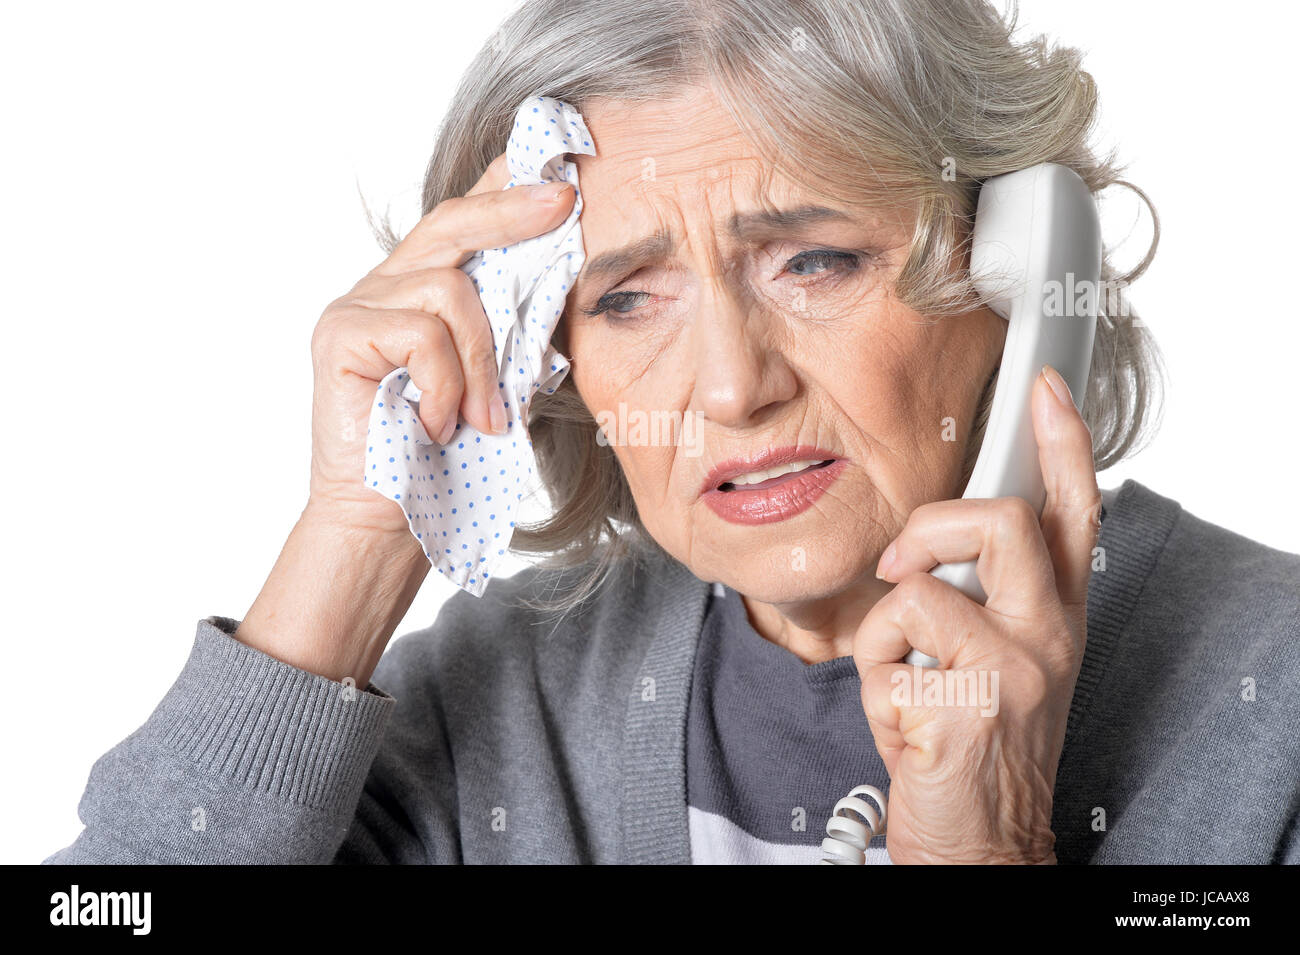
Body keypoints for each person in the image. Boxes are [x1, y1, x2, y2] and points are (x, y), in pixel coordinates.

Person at [46, 0, 1300, 865]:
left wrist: (982, 846)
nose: (726, 387)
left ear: (1021, 266)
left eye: (812, 261)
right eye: (626, 295)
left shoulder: (1274, 701)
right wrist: (356, 539)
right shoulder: (498, 709)